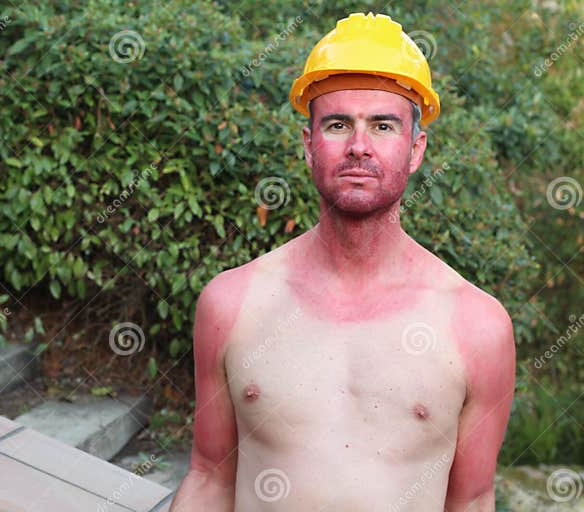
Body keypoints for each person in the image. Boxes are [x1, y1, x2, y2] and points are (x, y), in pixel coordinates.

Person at [169, 12, 516, 512]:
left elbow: (471, 501)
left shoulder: (478, 327)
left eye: (382, 125)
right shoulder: (231, 303)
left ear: (415, 148)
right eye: (337, 124)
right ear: (308, 145)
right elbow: (210, 479)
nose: (358, 146)